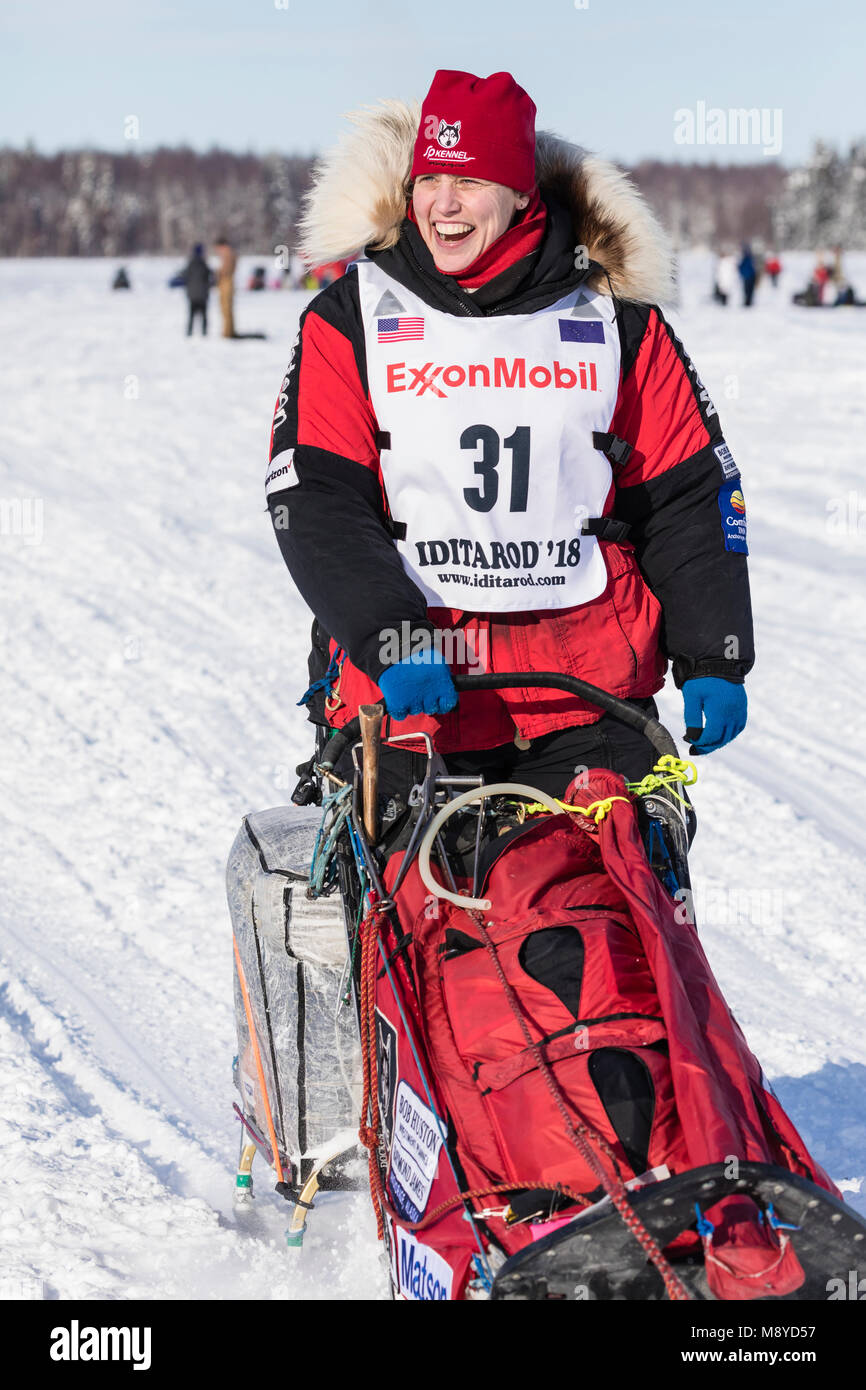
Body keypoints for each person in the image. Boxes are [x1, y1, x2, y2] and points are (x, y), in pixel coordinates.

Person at [266, 69, 753, 798]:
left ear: (524, 192)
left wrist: (714, 653)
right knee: (413, 907)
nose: (444, 205)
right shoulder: (352, 316)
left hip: (586, 692)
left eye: (471, 181)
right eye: (428, 179)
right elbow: (317, 496)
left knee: (610, 903)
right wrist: (389, 636)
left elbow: (687, 492)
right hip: (409, 683)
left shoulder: (615, 321)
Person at [183, 243, 212, 336]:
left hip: (192, 295)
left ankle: (189, 332)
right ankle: (204, 332)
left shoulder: (190, 263)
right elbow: (210, 276)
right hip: (202, 295)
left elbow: (184, 276)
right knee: (203, 316)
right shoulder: (203, 264)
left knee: (191, 316)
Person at [213, 236, 237, 338]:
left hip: (226, 283)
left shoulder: (227, 253)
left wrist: (217, 273)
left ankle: (227, 333)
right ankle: (228, 331)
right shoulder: (229, 253)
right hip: (226, 283)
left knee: (226, 309)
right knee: (227, 309)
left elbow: (226, 270)